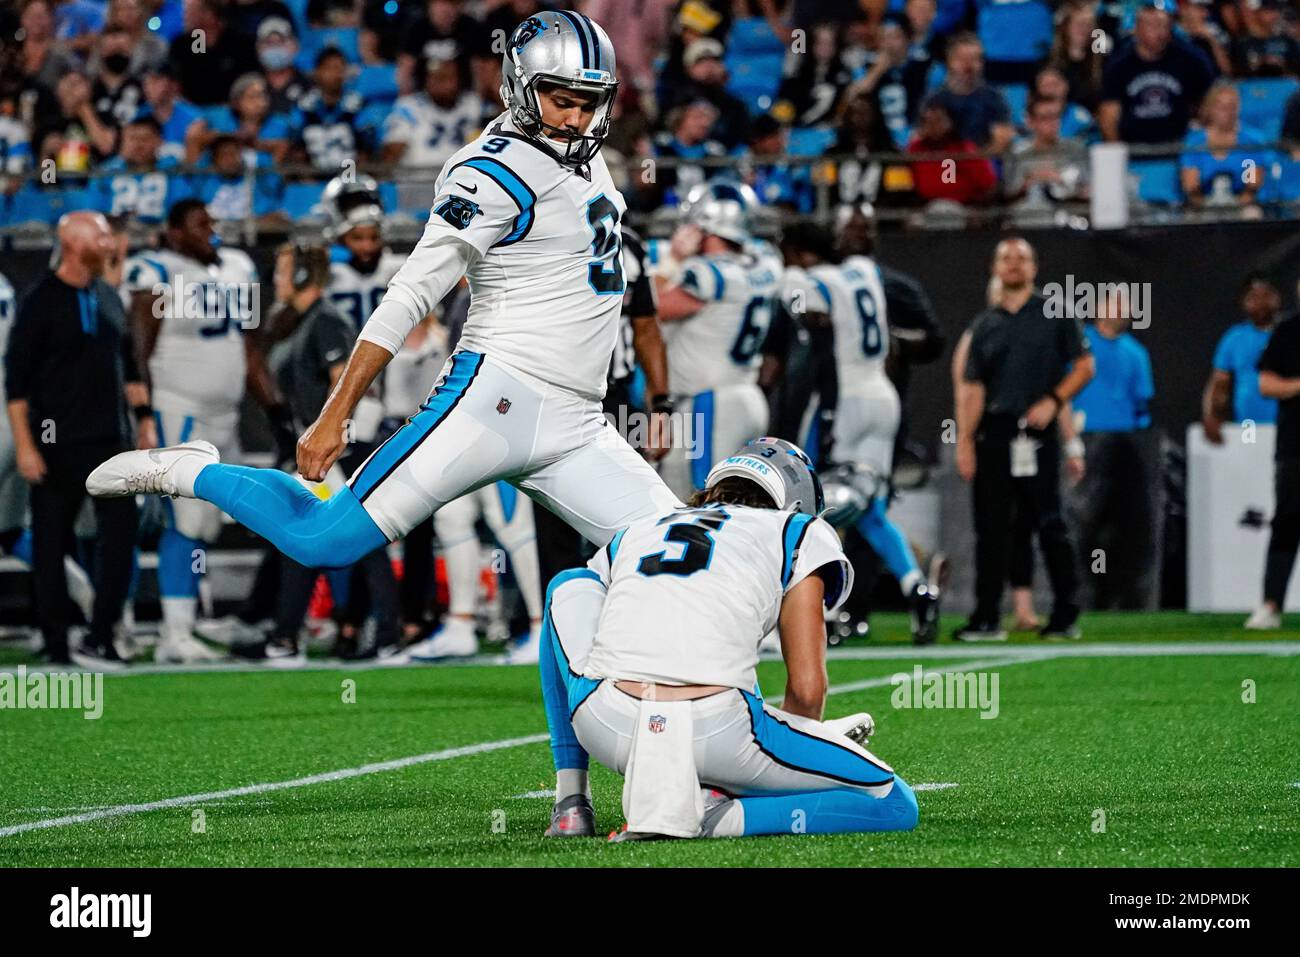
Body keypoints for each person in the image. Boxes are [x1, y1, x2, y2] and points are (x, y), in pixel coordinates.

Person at [87, 12, 682, 627]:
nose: (578, 119)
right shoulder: (491, 171)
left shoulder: (587, 157)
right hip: (497, 399)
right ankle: (191, 471)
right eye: (563, 101)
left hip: (579, 421)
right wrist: (335, 413)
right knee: (325, 540)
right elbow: (409, 296)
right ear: (519, 85)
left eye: (591, 103)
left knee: (683, 560)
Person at [539, 436, 918, 840]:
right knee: (894, 803)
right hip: (716, 731)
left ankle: (571, 804)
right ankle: (723, 814)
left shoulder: (641, 529)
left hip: (605, 723)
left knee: (569, 583)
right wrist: (801, 741)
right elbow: (807, 692)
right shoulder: (798, 529)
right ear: (796, 502)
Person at [121, 198, 288, 662]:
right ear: (173, 232)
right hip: (179, 409)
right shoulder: (153, 270)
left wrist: (277, 412)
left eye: (213, 221)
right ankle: (174, 633)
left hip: (225, 414)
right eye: (199, 224)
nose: (210, 230)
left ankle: (194, 620)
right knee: (187, 519)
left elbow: (249, 349)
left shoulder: (237, 266)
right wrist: (145, 415)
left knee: (213, 520)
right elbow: (138, 350)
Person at [779, 221, 940, 644]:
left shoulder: (811, 278)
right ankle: (916, 588)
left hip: (848, 399)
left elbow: (808, 315)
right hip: (885, 396)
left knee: (822, 506)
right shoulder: (867, 272)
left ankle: (825, 611)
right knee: (869, 510)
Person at [5, 211, 151, 665]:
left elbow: (130, 368)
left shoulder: (109, 296)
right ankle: (55, 643)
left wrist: (145, 423)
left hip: (111, 442)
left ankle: (102, 634)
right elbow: (17, 384)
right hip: (55, 443)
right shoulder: (40, 301)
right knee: (50, 544)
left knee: (121, 538)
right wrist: (26, 446)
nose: (110, 240)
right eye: (101, 233)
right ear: (71, 241)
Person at [955, 237, 1095, 641]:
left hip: (1037, 432)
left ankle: (1066, 615)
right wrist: (965, 440)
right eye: (1005, 258)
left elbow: (1085, 366)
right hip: (995, 434)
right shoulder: (985, 325)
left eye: (1021, 258)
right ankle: (986, 617)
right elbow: (972, 388)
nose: (1013, 264)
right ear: (994, 268)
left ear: (1034, 268)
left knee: (1050, 523)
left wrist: (1053, 401)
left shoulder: (1055, 311)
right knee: (991, 528)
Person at [653, 180, 777, 501]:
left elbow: (646, 309)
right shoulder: (766, 263)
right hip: (748, 397)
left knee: (704, 505)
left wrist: (673, 260)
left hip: (710, 404)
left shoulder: (704, 274)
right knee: (733, 503)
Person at [1068, 287, 1159, 610]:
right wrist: (1070, 441)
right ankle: (1079, 597)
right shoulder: (1078, 345)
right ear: (1098, 308)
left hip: (1125, 447)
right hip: (1085, 444)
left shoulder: (1137, 354)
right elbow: (1062, 392)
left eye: (1126, 306)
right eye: (1114, 303)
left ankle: (1125, 599)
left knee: (1125, 527)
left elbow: (1142, 407)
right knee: (1081, 522)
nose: (1120, 310)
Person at [1098, 1, 1214, 145]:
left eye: (1163, 26)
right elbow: (1108, 117)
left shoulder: (1191, 59)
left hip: (1179, 147)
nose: (1159, 32)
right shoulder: (1119, 65)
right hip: (1134, 150)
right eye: (1151, 25)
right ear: (1137, 28)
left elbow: (1209, 102)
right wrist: (1118, 155)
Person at [1248, 305, 1300, 628]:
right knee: (1287, 522)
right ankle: (1271, 604)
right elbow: (1265, 384)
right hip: (1296, 446)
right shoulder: (1288, 331)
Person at [1202, 275, 1280, 444]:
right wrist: (1211, 416)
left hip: (1286, 424)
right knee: (1251, 466)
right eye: (1253, 297)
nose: (1260, 303)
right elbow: (1219, 384)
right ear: (1244, 302)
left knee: (1286, 468)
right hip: (1248, 425)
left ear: (1276, 298)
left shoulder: (1290, 333)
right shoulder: (1234, 337)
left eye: (1265, 296)